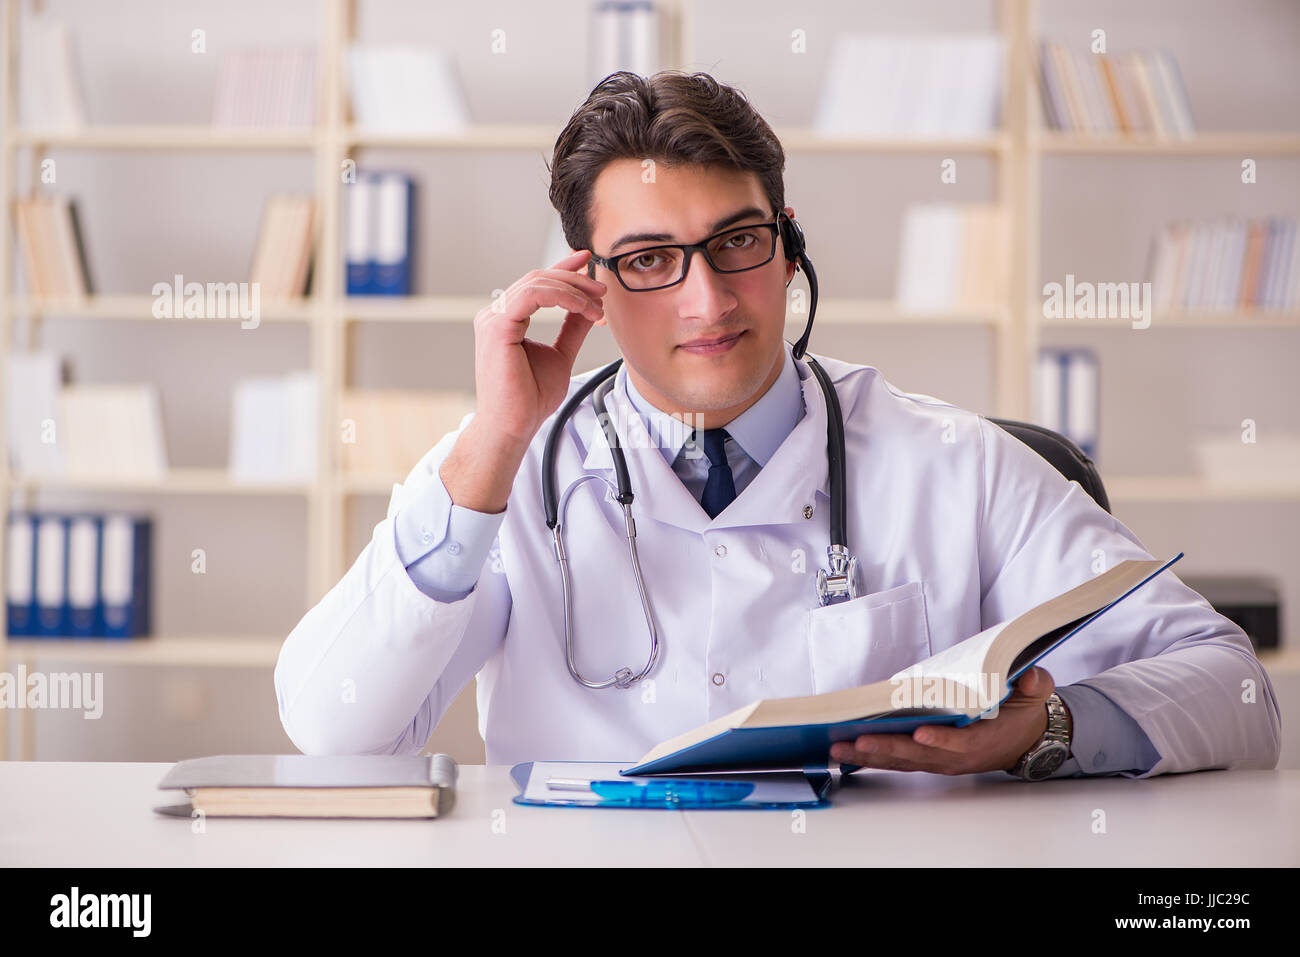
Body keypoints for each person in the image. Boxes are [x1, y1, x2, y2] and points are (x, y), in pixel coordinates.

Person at [274, 71, 1279, 779]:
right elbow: (335, 735)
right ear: (588, 284)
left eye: (737, 243)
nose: (707, 303)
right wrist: (491, 446)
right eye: (651, 259)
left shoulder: (954, 465)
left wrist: (1045, 730)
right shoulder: (510, 478)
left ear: (788, 251)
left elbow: (1235, 691)